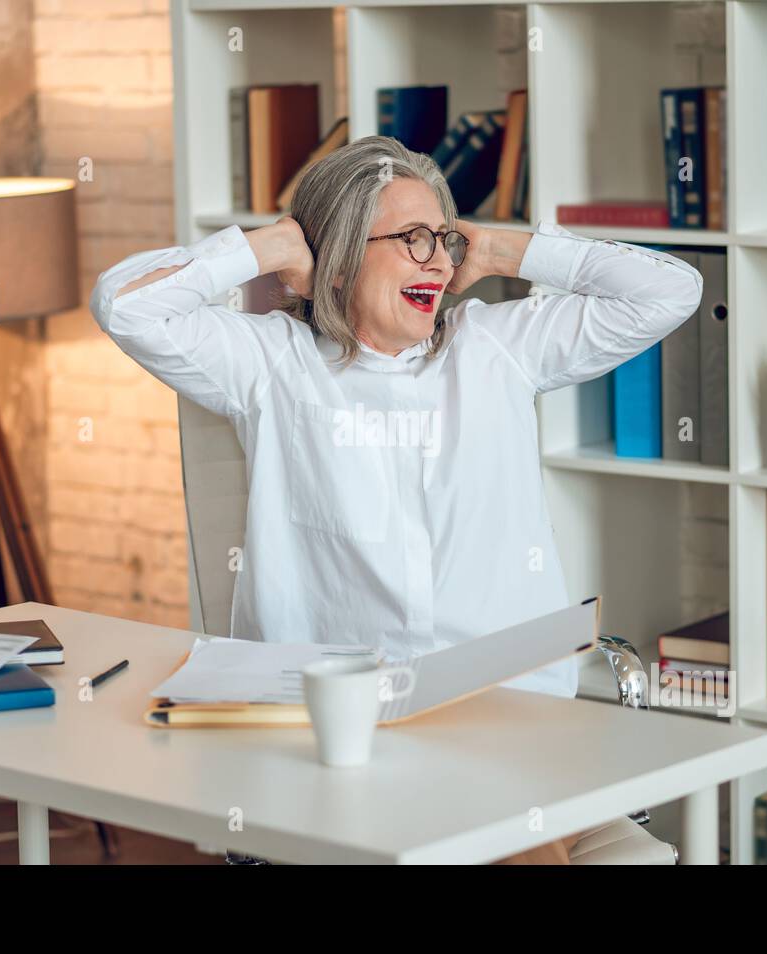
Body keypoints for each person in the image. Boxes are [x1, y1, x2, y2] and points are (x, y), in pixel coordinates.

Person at [91, 135, 703, 864]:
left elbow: (672, 289)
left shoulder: (496, 349)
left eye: (444, 239)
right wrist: (275, 244)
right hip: (348, 739)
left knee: (519, 830)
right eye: (414, 239)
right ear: (342, 254)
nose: (441, 263)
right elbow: (124, 306)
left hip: (518, 725)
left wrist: (510, 253)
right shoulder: (269, 366)